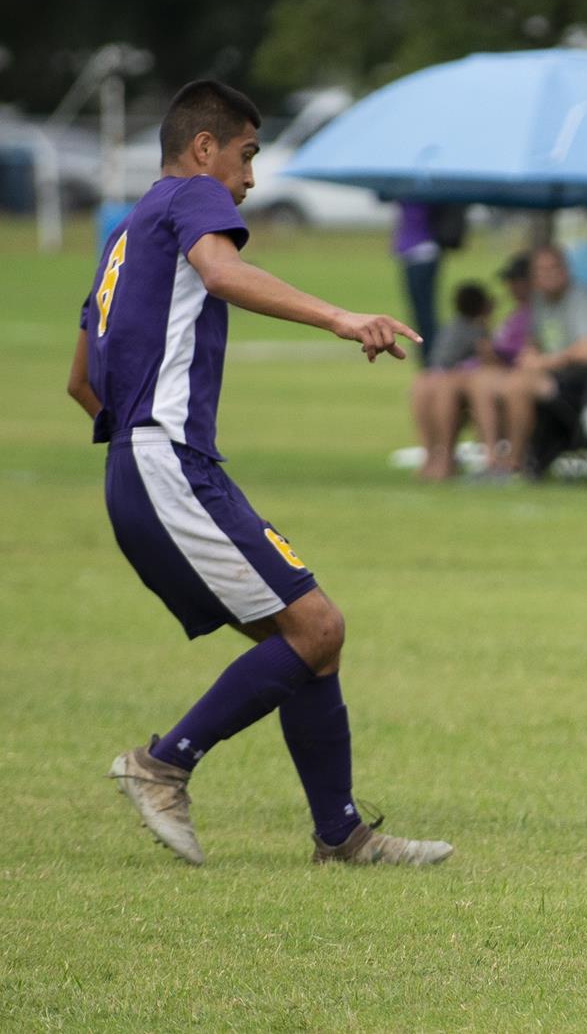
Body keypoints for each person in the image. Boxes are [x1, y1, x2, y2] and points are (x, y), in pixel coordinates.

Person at [70, 79, 451, 867]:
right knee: (319, 627)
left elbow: (81, 381)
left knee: (307, 639)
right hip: (168, 465)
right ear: (203, 147)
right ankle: (161, 764)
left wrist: (142, 446)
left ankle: (341, 836)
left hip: (136, 471)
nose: (248, 179)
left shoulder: (124, 235)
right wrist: (342, 317)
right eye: (245, 156)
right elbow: (222, 272)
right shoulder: (192, 196)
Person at [492, 245, 587, 476]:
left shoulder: (581, 299)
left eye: (553, 268)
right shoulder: (539, 301)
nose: (548, 274)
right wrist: (529, 357)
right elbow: (533, 343)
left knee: (517, 386)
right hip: (557, 378)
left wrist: (543, 362)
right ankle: (492, 460)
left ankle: (513, 463)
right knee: (491, 383)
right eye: (541, 270)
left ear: (566, 270)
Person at [409, 281, 501, 480]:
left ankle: (435, 457)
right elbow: (487, 357)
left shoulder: (451, 326)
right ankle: (442, 457)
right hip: (449, 377)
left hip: (439, 375)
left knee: (430, 387)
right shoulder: (475, 329)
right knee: (442, 390)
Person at [391, 202, 442, 366]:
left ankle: (430, 358)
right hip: (419, 251)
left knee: (424, 314)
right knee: (423, 313)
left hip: (419, 252)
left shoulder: (416, 194)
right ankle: (429, 356)